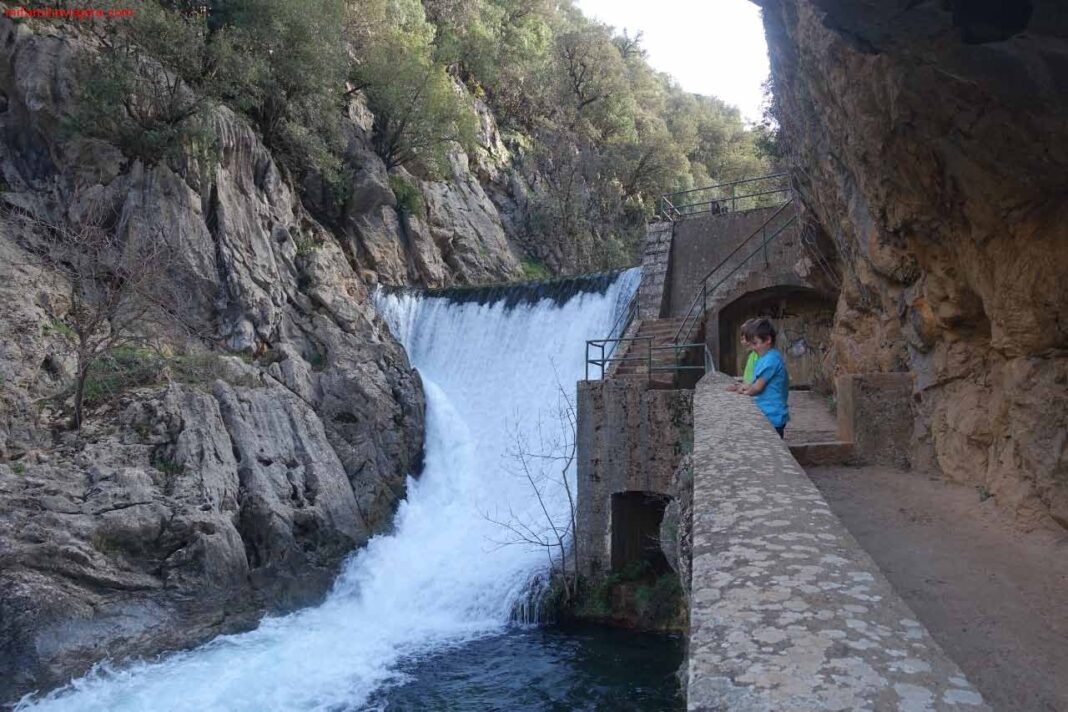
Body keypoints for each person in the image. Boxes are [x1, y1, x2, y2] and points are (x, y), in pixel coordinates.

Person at [731, 318, 790, 437]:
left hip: (771, 415)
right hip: (769, 413)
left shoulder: (770, 360)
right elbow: (755, 383)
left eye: (755, 343)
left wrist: (741, 391)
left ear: (768, 340)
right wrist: (743, 386)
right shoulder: (766, 358)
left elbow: (757, 388)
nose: (753, 347)